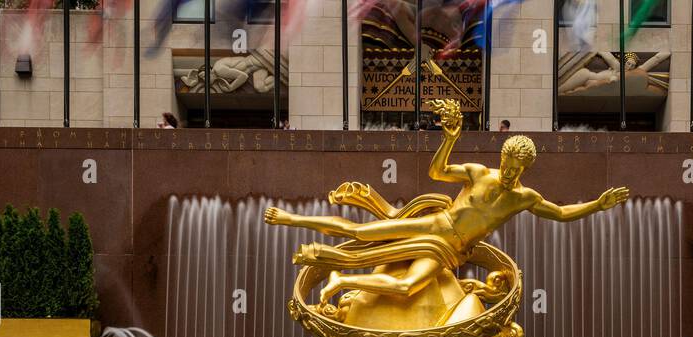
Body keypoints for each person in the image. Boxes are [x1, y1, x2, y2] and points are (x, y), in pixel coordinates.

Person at [265, 99, 628, 303]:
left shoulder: (523, 198)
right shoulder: (478, 173)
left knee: (407, 287)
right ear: (501, 158)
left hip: (450, 251)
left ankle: (341, 281)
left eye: (517, 169)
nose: (509, 173)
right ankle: (290, 219)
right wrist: (450, 138)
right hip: (437, 225)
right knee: (363, 234)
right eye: (507, 164)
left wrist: (598, 204)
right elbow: (438, 172)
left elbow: (561, 213)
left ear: (526, 169)